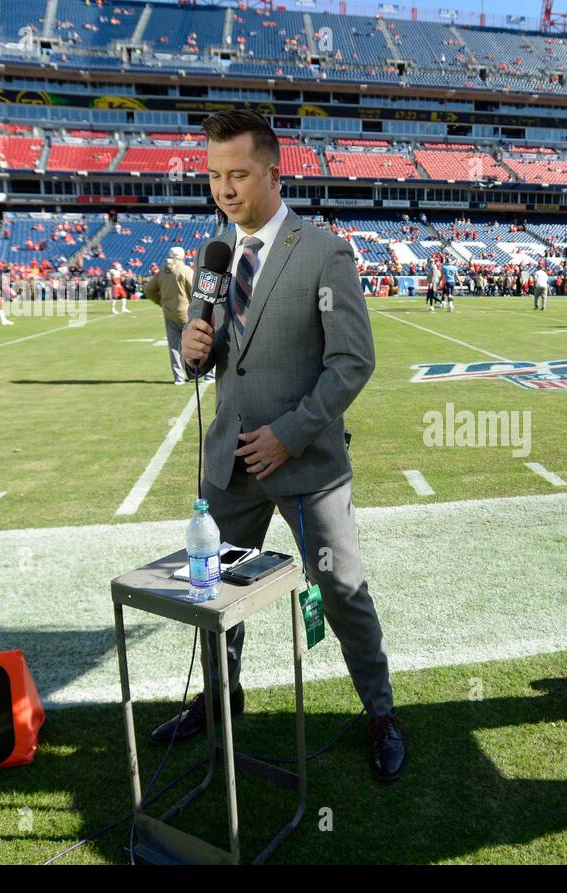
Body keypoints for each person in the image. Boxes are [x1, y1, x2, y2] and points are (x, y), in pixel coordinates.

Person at [169, 108, 404, 782]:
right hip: (229, 465)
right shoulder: (218, 248)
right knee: (209, 587)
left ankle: (381, 711)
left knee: (343, 589)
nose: (225, 188)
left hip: (306, 467)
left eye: (238, 174)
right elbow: (208, 348)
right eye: (214, 175)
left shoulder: (324, 251)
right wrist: (190, 348)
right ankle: (219, 697)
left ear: (274, 172)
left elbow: (352, 362)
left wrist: (291, 434)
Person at [142, 246, 201, 385]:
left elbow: (148, 289)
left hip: (169, 313)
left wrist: (161, 302)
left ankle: (179, 377)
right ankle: (206, 375)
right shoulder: (185, 270)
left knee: (174, 347)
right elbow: (195, 291)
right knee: (196, 344)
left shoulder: (162, 271)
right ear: (183, 256)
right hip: (187, 314)